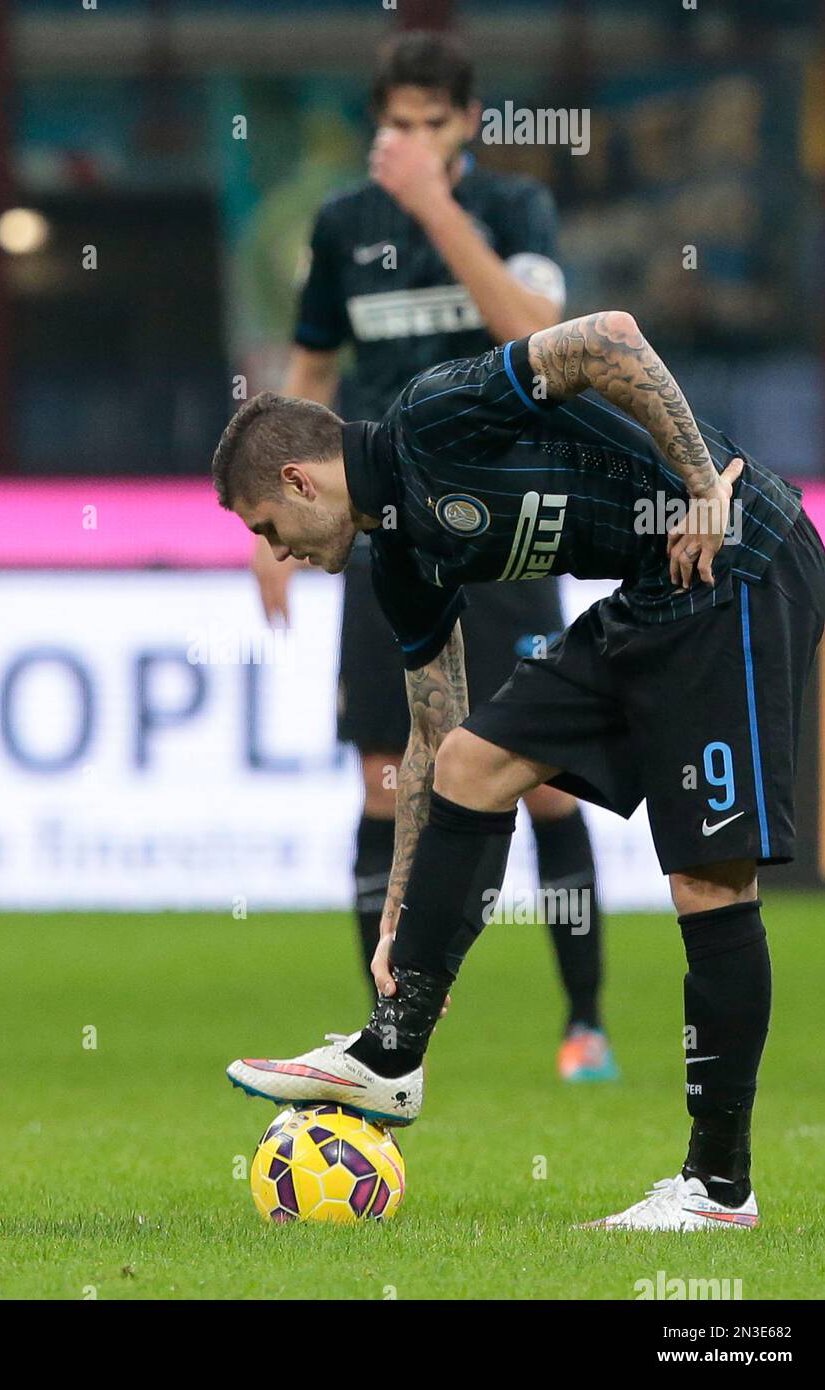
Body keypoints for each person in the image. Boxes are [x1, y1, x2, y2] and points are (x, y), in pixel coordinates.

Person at [213, 309, 825, 1231]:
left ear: (300, 478)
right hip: (656, 591)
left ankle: (718, 1189)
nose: (277, 553)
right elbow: (426, 748)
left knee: (706, 881)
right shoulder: (402, 559)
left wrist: (699, 485)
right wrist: (399, 927)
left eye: (268, 526)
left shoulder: (432, 416)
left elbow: (607, 338)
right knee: (471, 762)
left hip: (736, 559)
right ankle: (392, 1052)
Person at [252, 31, 614, 1078]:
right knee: (386, 775)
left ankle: (583, 1025)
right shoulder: (340, 225)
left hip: (509, 534)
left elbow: (542, 334)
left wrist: (435, 206)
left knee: (540, 781)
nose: (409, 141)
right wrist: (278, 526)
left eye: (431, 123)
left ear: (466, 126)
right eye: (394, 124)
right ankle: (384, 1013)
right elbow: (312, 365)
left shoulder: (511, 213)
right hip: (384, 537)